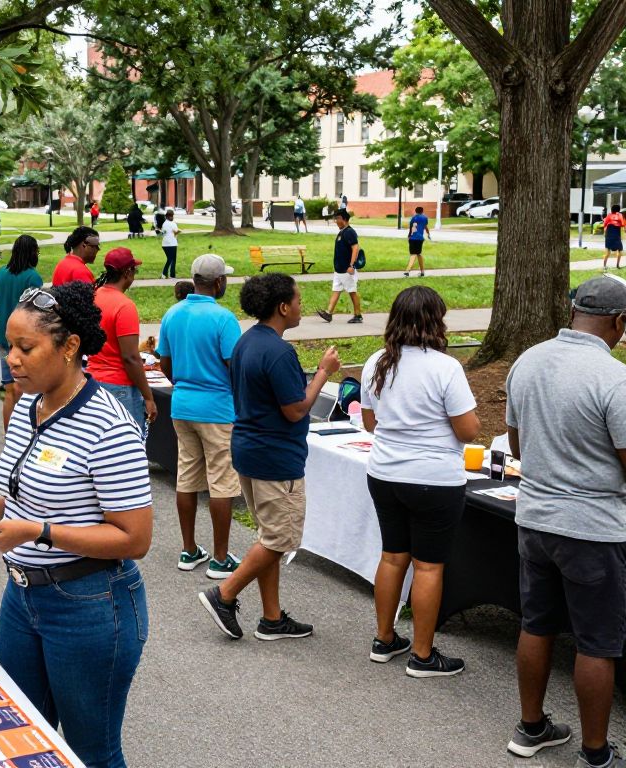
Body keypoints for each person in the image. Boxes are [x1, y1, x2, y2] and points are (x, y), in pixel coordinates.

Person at [0, 281, 152, 768]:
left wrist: (36, 531)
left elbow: (134, 538)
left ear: (70, 347)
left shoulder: (110, 426)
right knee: (20, 738)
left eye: (25, 347)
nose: (10, 359)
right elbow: (29, 490)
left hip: (90, 606)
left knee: (91, 752)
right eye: (8, 345)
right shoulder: (29, 404)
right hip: (22, 597)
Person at [504, 275, 626, 766]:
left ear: (574, 311)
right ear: (619, 322)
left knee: (537, 625)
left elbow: (514, 445)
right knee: (597, 642)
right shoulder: (613, 377)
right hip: (592, 526)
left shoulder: (527, 359)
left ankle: (530, 728)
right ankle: (596, 755)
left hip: (534, 519)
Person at [199, 273, 340, 642]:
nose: (301, 306)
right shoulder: (278, 352)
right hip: (275, 456)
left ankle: (272, 618)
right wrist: (323, 373)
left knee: (268, 535)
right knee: (279, 538)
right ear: (282, 307)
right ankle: (224, 594)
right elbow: (296, 410)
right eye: (297, 300)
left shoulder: (247, 341)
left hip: (248, 447)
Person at [360, 286, 479, 678]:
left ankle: (384, 638)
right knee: (428, 567)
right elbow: (468, 431)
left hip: (384, 473)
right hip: (433, 479)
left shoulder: (377, 361)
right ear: (436, 321)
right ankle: (423, 656)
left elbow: (370, 423)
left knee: (392, 556)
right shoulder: (445, 368)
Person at [157, 254, 243, 578]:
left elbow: (165, 362)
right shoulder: (224, 319)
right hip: (217, 408)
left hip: (182, 405)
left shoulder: (173, 313)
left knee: (187, 476)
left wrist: (181, 382)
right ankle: (221, 558)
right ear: (219, 282)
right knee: (221, 482)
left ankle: (189, 549)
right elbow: (234, 365)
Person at [90, 247, 157, 433]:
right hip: (119, 387)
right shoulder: (124, 306)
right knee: (127, 445)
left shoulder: (93, 296)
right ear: (127, 273)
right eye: (134, 270)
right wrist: (148, 397)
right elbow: (130, 357)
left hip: (92, 382)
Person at [0, 234, 43, 429]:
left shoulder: (1, 273)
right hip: (25, 342)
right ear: (32, 253)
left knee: (10, 390)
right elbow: (37, 311)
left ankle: (8, 434)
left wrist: (2, 308)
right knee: (26, 390)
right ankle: (24, 432)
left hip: (4, 339)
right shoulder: (33, 277)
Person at [317, 209, 363, 324]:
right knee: (336, 290)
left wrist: (351, 265)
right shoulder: (342, 232)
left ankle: (358, 315)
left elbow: (355, 248)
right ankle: (329, 313)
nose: (336, 221)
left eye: (338, 219)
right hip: (339, 270)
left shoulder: (349, 232)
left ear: (345, 219)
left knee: (352, 292)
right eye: (335, 218)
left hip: (347, 270)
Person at [405, 206, 431, 277]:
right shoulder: (425, 218)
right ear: (422, 211)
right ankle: (422, 272)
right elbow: (425, 227)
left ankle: (407, 270)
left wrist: (409, 236)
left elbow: (411, 228)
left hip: (413, 238)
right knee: (419, 254)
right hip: (420, 239)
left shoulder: (413, 218)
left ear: (415, 211)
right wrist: (428, 234)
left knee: (413, 254)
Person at [602, 204, 624, 271]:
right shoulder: (620, 215)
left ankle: (604, 266)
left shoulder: (609, 215)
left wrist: (609, 224)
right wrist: (618, 223)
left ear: (612, 209)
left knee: (607, 252)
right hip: (617, 235)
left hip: (609, 234)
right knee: (620, 250)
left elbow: (604, 224)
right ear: (618, 210)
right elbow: (622, 224)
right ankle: (617, 265)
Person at [161, 208, 180, 279]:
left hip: (165, 244)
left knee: (171, 259)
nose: (172, 217)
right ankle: (165, 273)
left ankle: (171, 274)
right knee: (171, 259)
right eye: (171, 216)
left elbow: (163, 234)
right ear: (167, 216)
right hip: (172, 244)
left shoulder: (164, 224)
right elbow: (176, 231)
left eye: (172, 216)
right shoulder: (173, 223)